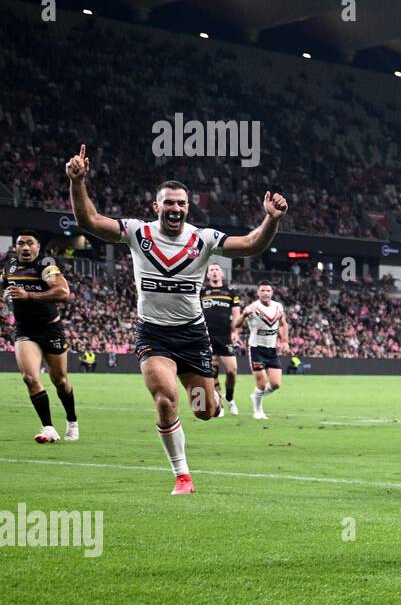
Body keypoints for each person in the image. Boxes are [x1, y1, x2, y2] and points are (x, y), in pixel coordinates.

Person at [66, 143, 288, 494]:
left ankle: (213, 401)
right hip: (154, 335)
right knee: (165, 397)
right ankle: (182, 475)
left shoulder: (203, 239)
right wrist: (78, 182)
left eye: (181, 203)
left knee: (203, 409)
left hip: (193, 338)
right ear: (157, 206)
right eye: (168, 203)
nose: (175, 208)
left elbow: (250, 244)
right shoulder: (138, 233)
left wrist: (271, 221)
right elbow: (89, 221)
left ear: (188, 208)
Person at [1, 230, 78, 442]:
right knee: (29, 378)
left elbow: (63, 292)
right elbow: (3, 287)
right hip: (25, 330)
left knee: (60, 381)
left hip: (50, 329)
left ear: (37, 247)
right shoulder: (10, 267)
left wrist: (29, 295)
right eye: (20, 244)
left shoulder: (47, 265)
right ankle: (48, 428)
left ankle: (72, 420)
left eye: (29, 243)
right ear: (15, 247)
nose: (25, 247)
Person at [233, 281, 288, 421]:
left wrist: (285, 341)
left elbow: (283, 324)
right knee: (262, 383)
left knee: (275, 384)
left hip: (271, 350)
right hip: (256, 349)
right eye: (262, 290)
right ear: (258, 293)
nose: (265, 293)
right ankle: (258, 410)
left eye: (268, 290)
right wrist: (244, 315)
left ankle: (255, 396)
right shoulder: (253, 307)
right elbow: (236, 324)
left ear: (272, 293)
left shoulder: (278, 307)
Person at [201, 263, 242, 414]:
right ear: (208, 275)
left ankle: (229, 397)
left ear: (222, 274)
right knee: (212, 372)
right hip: (207, 337)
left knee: (232, 371)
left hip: (224, 336)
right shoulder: (203, 292)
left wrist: (235, 331)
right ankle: (219, 404)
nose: (214, 272)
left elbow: (236, 314)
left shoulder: (231, 292)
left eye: (217, 269)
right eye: (211, 270)